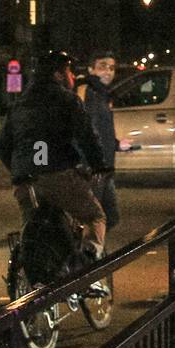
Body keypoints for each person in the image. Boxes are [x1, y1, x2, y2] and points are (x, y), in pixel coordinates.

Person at [0, 49, 112, 289]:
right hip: (57, 174)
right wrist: (98, 164)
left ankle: (34, 281)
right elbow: (87, 135)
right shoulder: (67, 99)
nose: (71, 76)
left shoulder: (20, 104)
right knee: (94, 216)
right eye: (69, 71)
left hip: (24, 181)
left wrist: (20, 168)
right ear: (59, 74)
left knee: (33, 228)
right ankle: (86, 271)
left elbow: (1, 146)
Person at [76, 50, 127, 235]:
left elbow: (101, 130)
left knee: (109, 217)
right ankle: (86, 257)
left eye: (112, 68)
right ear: (91, 69)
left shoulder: (102, 94)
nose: (108, 72)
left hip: (104, 167)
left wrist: (116, 144)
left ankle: (90, 254)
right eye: (102, 67)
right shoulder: (88, 93)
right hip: (94, 168)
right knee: (98, 217)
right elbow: (86, 130)